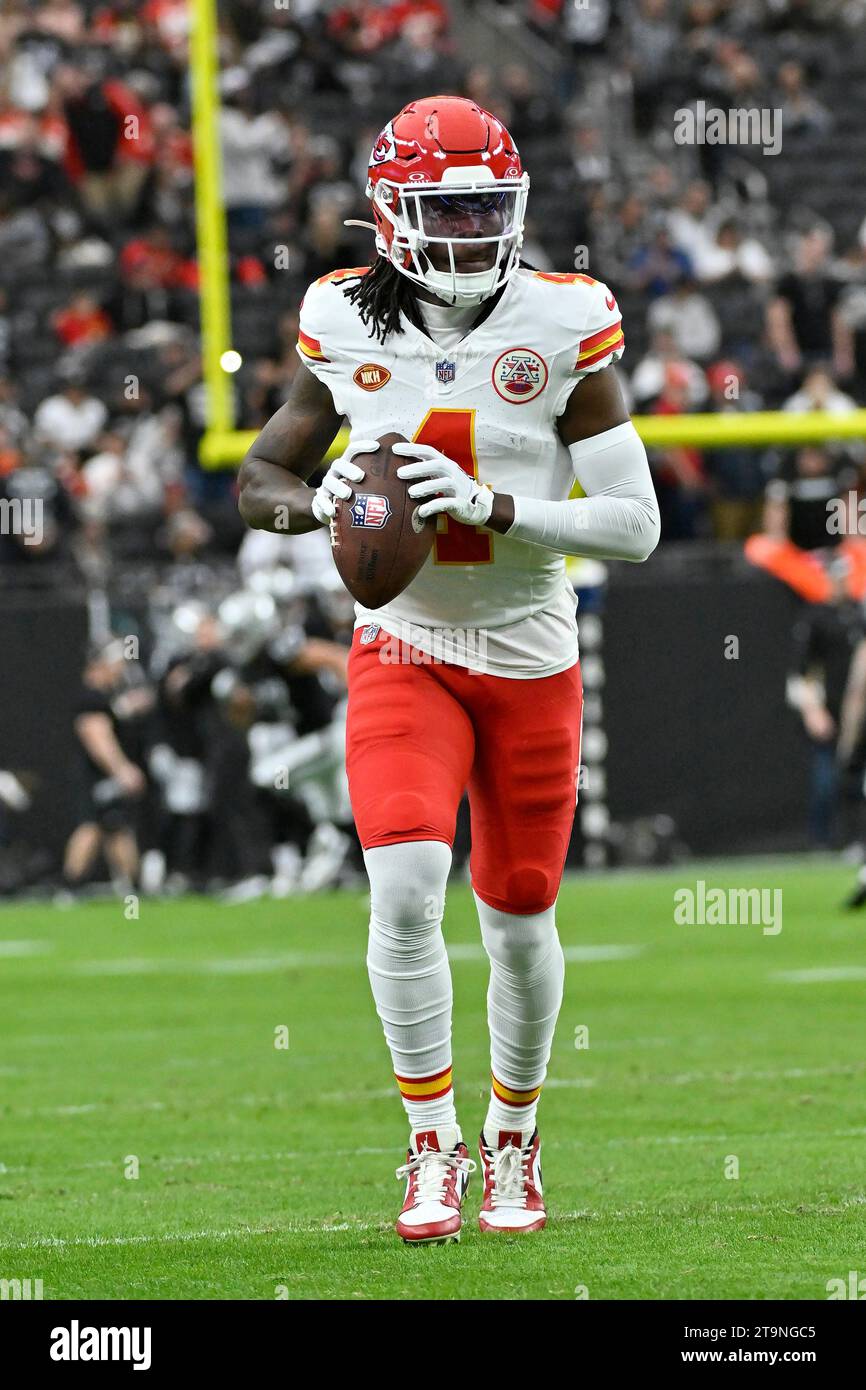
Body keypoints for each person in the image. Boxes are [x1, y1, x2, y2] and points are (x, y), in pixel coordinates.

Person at [238, 96, 660, 1244]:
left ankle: (513, 1138)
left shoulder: (564, 318)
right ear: (390, 215)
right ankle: (429, 1144)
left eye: (489, 207)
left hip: (528, 648)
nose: (474, 233)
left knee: (519, 915)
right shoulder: (342, 316)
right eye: (447, 209)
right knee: (405, 887)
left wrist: (496, 507)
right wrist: (313, 501)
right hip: (406, 644)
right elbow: (258, 479)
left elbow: (634, 525)